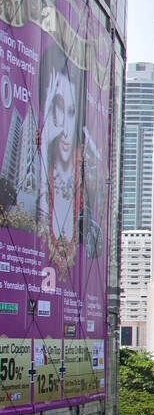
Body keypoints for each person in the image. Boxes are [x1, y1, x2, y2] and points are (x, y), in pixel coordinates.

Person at [36, 40, 85, 274]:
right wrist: (44, 151)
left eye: (71, 112)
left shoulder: (83, 193)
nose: (65, 127)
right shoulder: (31, 184)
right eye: (57, 107)